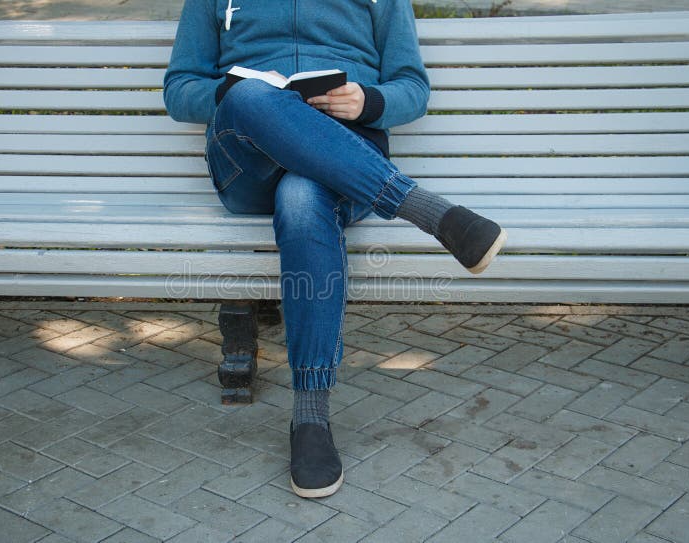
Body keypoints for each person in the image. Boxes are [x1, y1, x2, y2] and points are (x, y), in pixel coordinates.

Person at [163, 0, 507, 499]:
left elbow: (412, 87)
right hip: (247, 160)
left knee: (302, 199)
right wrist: (232, 93)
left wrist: (367, 102)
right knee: (251, 95)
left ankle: (311, 417)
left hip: (346, 157)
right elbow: (179, 89)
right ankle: (432, 214)